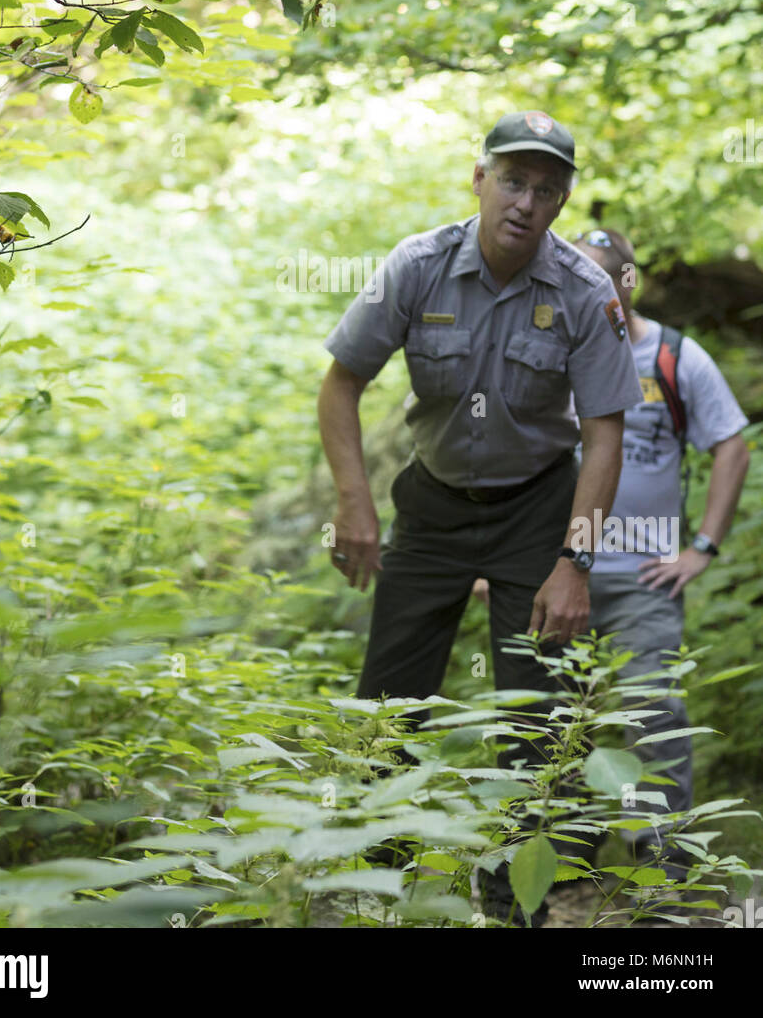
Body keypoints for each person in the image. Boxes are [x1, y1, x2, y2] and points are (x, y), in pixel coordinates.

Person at [317, 111, 644, 925]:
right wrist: (354, 503)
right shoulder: (417, 267)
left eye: (545, 190)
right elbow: (340, 385)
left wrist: (575, 563)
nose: (525, 203)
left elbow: (606, 435)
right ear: (479, 178)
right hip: (431, 501)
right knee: (388, 703)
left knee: (534, 716)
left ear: (561, 203)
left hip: (537, 506)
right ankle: (384, 893)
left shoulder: (583, 290)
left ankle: (514, 906)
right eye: (512, 181)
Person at [569, 227, 750, 878]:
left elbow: (730, 444)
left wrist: (702, 547)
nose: (586, 292)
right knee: (559, 721)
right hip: (560, 577)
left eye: (599, 279)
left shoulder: (676, 357)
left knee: (653, 712)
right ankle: (565, 865)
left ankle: (662, 874)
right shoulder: (549, 352)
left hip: (646, 579)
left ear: (627, 282)